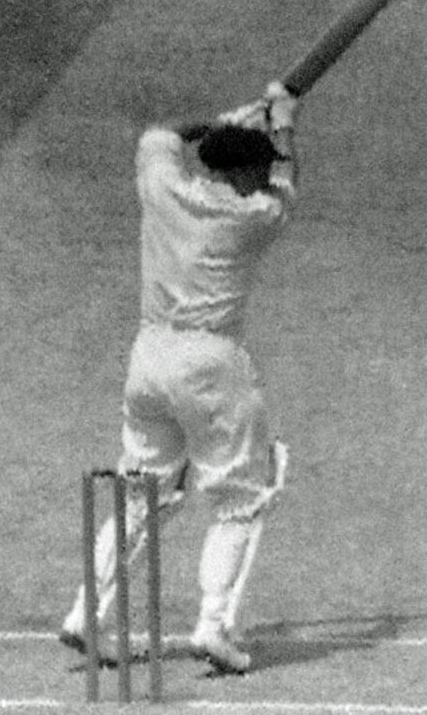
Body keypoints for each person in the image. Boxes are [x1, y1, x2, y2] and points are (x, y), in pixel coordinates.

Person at [59, 80, 300, 676]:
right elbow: (287, 185)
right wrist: (285, 125)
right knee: (243, 497)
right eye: (256, 167)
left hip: (149, 360)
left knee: (140, 494)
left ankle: (87, 613)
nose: (260, 176)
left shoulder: (163, 187)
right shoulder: (251, 216)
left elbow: (160, 132)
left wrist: (215, 120)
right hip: (211, 365)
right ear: (243, 172)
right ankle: (214, 627)